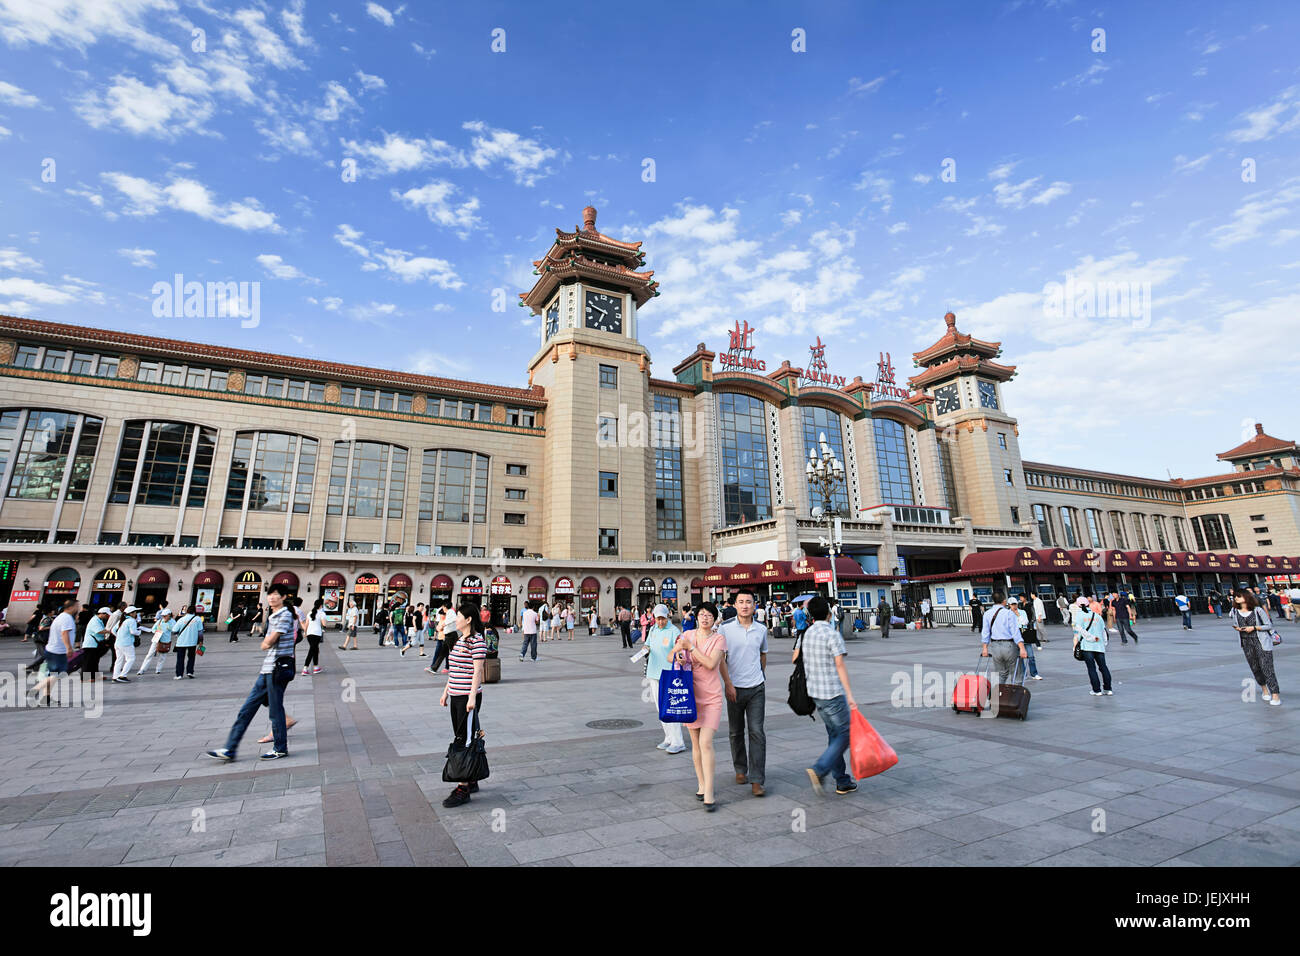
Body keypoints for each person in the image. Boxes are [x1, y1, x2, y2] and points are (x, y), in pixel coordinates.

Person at [207, 582, 297, 762]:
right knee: (246, 709)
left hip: (277, 670)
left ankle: (280, 748)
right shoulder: (274, 615)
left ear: (284, 597)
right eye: (270, 594)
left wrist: (265, 643)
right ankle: (230, 748)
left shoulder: (285, 615)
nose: (271, 597)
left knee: (276, 711)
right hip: (267, 670)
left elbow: (269, 642)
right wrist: (266, 643)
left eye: (276, 594)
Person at [795, 595, 859, 796]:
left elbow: (797, 658)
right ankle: (819, 769)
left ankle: (842, 780)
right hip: (832, 693)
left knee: (834, 735)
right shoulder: (832, 634)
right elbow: (839, 664)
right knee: (845, 734)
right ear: (829, 613)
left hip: (815, 694)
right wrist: (849, 693)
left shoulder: (807, 633)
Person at [672, 602, 727, 811]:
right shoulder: (687, 635)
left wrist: (691, 649)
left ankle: (710, 793)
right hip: (690, 696)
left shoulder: (719, 639)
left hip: (711, 697)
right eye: (702, 614)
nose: (705, 618)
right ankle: (701, 785)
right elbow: (671, 656)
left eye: (709, 615)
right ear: (697, 617)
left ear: (715, 619)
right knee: (695, 744)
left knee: (705, 742)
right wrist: (678, 654)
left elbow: (712, 664)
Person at [718, 589, 768, 797]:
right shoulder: (725, 628)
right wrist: (728, 683)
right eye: (741, 602)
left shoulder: (761, 629)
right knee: (736, 731)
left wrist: (760, 675)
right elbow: (721, 658)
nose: (745, 605)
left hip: (756, 687)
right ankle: (740, 769)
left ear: (754, 605)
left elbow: (763, 654)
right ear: (735, 605)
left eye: (749, 601)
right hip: (734, 687)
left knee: (757, 732)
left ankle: (757, 779)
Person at [440, 601, 487, 808]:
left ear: (468, 620)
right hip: (456, 695)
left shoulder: (477, 641)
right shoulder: (461, 640)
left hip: (467, 698)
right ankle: (472, 776)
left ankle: (463, 788)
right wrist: (445, 692)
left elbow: (477, 671)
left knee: (465, 740)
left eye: (458, 616)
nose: (456, 619)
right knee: (463, 736)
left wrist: (471, 698)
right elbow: (455, 670)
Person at [643, 604, 685, 754]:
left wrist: (679, 657)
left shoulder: (674, 631)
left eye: (662, 618)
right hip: (653, 672)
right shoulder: (653, 629)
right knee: (660, 708)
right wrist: (644, 650)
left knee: (670, 707)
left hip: (669, 674)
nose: (660, 621)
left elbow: (680, 649)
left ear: (668, 616)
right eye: (657, 618)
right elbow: (647, 644)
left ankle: (678, 741)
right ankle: (668, 738)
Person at [1231, 590, 1281, 705]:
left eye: (1239, 596)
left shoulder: (1257, 610)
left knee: (1267, 668)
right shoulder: (1234, 611)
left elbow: (1268, 625)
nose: (1236, 598)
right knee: (1255, 667)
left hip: (1261, 641)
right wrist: (1239, 629)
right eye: (1235, 597)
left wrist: (1254, 627)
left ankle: (1275, 694)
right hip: (1246, 643)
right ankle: (1265, 690)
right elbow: (1236, 623)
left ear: (1246, 597)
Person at [31, 597, 79, 704]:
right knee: (55, 675)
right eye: (77, 606)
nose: (78, 608)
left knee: (51, 674)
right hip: (59, 651)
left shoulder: (60, 617)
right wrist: (69, 648)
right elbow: (64, 633)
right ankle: (34, 691)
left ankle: (46, 698)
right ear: (71, 607)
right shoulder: (67, 618)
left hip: (53, 649)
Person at [979, 591, 1027, 684]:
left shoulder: (987, 614)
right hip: (1009, 646)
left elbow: (985, 632)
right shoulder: (1009, 613)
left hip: (995, 647)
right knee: (1017, 673)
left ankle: (998, 695)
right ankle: (1015, 696)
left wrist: (985, 648)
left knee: (1001, 674)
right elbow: (1015, 632)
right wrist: (1022, 648)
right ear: (1004, 601)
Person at [1072, 595, 1112, 696]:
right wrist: (1104, 644)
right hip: (1099, 646)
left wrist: (1090, 639)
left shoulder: (1079, 617)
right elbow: (1104, 632)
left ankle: (1096, 690)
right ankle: (1108, 689)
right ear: (1088, 604)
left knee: (1091, 668)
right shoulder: (1097, 616)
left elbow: (1079, 632)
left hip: (1087, 646)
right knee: (1103, 667)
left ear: (1078, 605)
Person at [1009, 597, 1042, 680]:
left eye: (1015, 604)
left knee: (1031, 656)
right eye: (1012, 604)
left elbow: (1025, 622)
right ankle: (1023, 674)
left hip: (1025, 634)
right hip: (1015, 636)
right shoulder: (1008, 614)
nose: (1014, 606)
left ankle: (1034, 673)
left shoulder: (1022, 612)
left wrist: (1018, 616)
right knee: (1019, 657)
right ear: (1009, 605)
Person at [136, 606, 174, 676]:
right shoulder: (160, 621)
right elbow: (153, 629)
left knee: (162, 655)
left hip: (166, 640)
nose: (164, 617)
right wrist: (156, 631)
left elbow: (174, 630)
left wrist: (169, 626)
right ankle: (142, 669)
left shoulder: (173, 621)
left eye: (165, 616)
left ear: (169, 615)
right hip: (156, 639)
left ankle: (158, 669)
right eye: (163, 616)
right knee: (150, 654)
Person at [111, 605, 141, 683]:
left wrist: (119, 636)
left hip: (118, 643)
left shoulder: (122, 620)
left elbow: (113, 630)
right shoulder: (131, 621)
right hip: (127, 643)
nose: (136, 613)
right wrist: (139, 632)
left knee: (119, 660)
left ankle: (115, 676)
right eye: (135, 612)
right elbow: (133, 632)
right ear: (131, 613)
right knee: (131, 659)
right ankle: (122, 676)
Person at [171, 605, 203, 679]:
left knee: (180, 658)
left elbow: (174, 630)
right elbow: (200, 631)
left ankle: (179, 674)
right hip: (192, 642)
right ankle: (190, 672)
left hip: (181, 642)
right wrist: (201, 641)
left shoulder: (181, 619)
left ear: (187, 611)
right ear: (195, 611)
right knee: (191, 657)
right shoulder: (198, 619)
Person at [81, 606, 112, 682]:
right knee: (88, 661)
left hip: (95, 645)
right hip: (90, 644)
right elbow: (99, 631)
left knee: (95, 661)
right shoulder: (94, 620)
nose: (107, 616)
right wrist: (110, 631)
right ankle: (85, 678)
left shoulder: (99, 620)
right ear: (102, 613)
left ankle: (95, 676)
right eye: (106, 615)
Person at [303, 598, 326, 672]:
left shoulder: (310, 613)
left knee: (315, 649)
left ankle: (316, 667)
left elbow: (306, 623)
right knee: (312, 650)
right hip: (316, 634)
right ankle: (305, 668)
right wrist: (325, 619)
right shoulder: (322, 613)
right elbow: (324, 624)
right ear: (320, 605)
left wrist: (305, 632)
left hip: (309, 634)